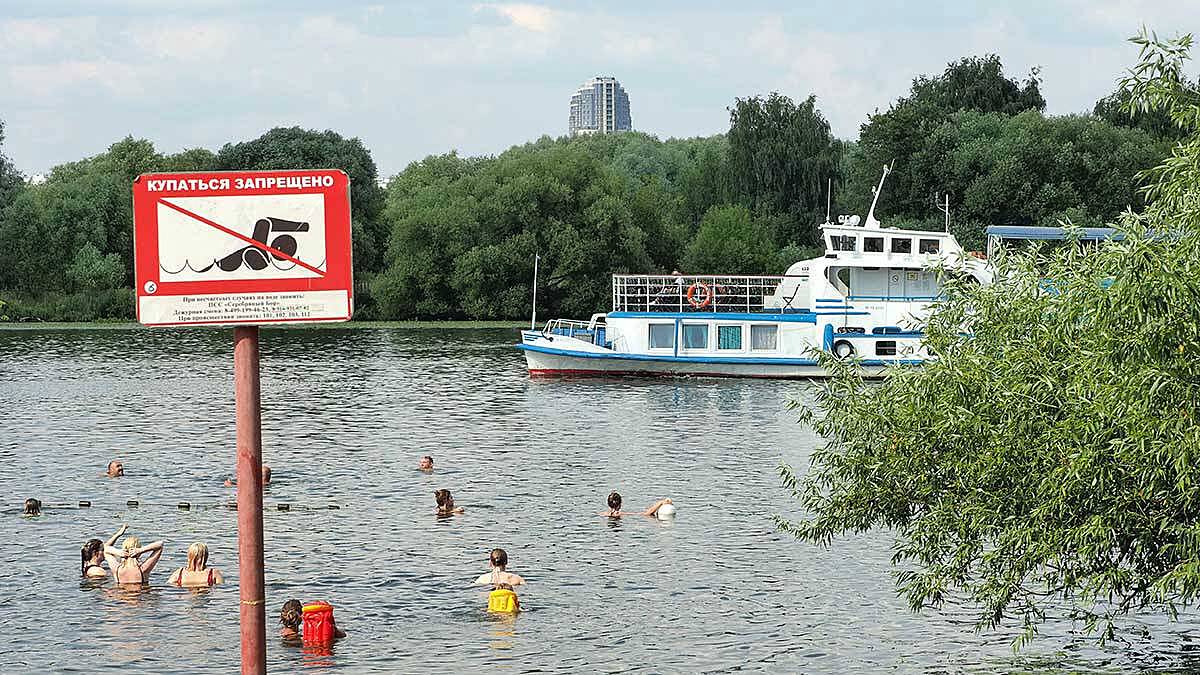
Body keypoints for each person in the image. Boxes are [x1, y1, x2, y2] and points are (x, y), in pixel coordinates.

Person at [599, 492, 673, 518]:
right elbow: (646, 513)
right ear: (620, 504)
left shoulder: (602, 514)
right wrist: (661, 502)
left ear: (608, 504)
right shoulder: (621, 514)